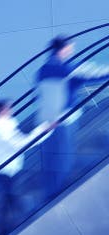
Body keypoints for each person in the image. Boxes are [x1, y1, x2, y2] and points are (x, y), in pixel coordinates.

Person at [37, 34, 109, 195]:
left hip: (45, 122)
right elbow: (94, 74)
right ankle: (55, 199)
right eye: (70, 47)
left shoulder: (43, 70)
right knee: (63, 161)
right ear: (63, 48)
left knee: (52, 163)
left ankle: (50, 195)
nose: (72, 50)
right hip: (61, 122)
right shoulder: (63, 68)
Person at [0, 100, 52, 235]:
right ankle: (23, 223)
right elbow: (18, 144)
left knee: (8, 198)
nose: (11, 110)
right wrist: (42, 131)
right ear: (1, 111)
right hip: (5, 168)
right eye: (8, 107)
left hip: (4, 167)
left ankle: (4, 229)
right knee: (11, 197)